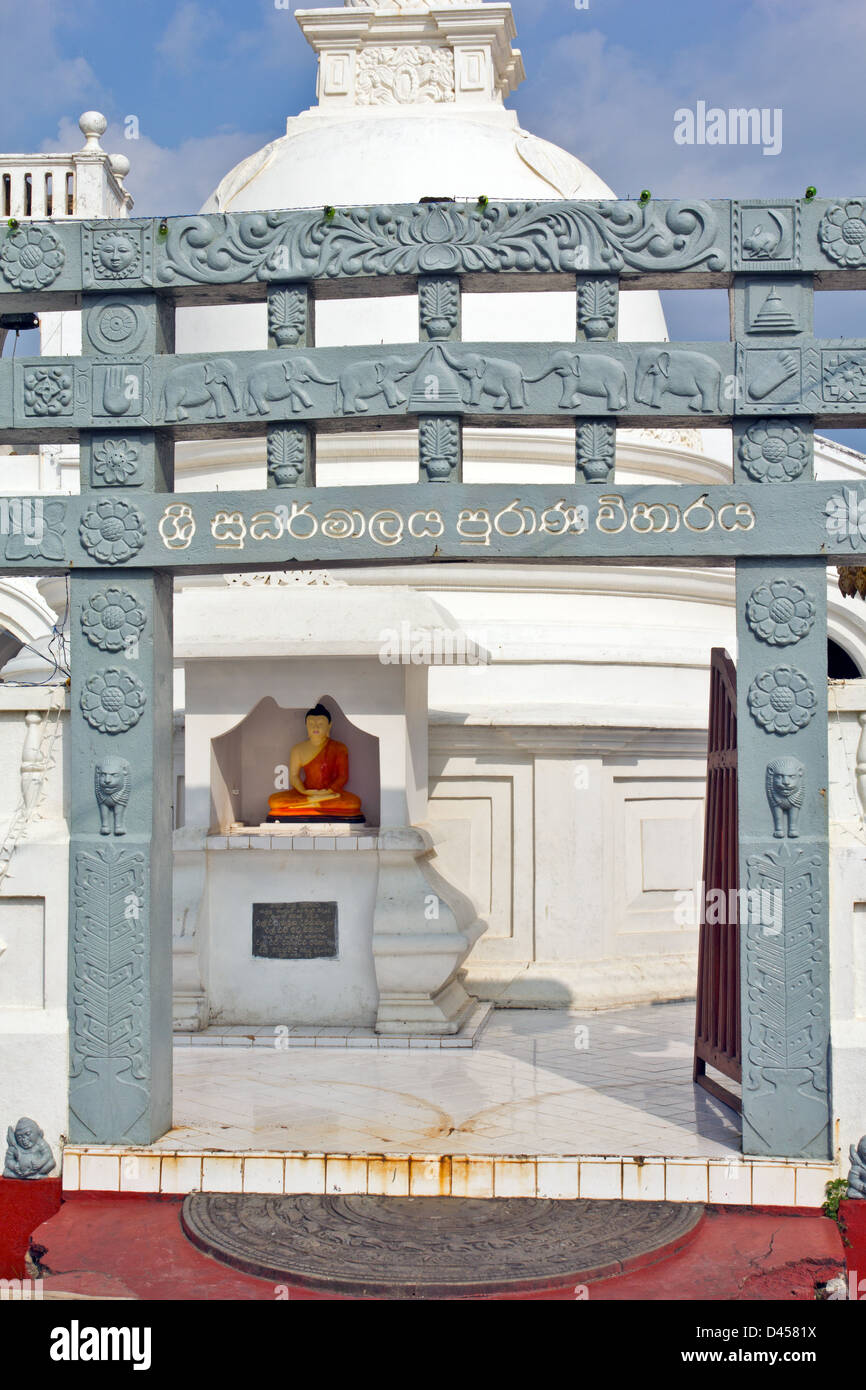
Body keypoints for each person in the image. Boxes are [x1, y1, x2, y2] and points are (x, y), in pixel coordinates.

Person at [267, 703, 364, 822]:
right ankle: (313, 802)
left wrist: (328, 791)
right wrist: (304, 791)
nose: (315, 727)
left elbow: (343, 777)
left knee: (353, 803)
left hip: (331, 792)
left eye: (320, 724)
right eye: (311, 724)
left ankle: (309, 804)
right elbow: (293, 776)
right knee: (275, 802)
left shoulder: (339, 748)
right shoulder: (298, 749)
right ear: (306, 726)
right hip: (306, 792)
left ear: (329, 726)